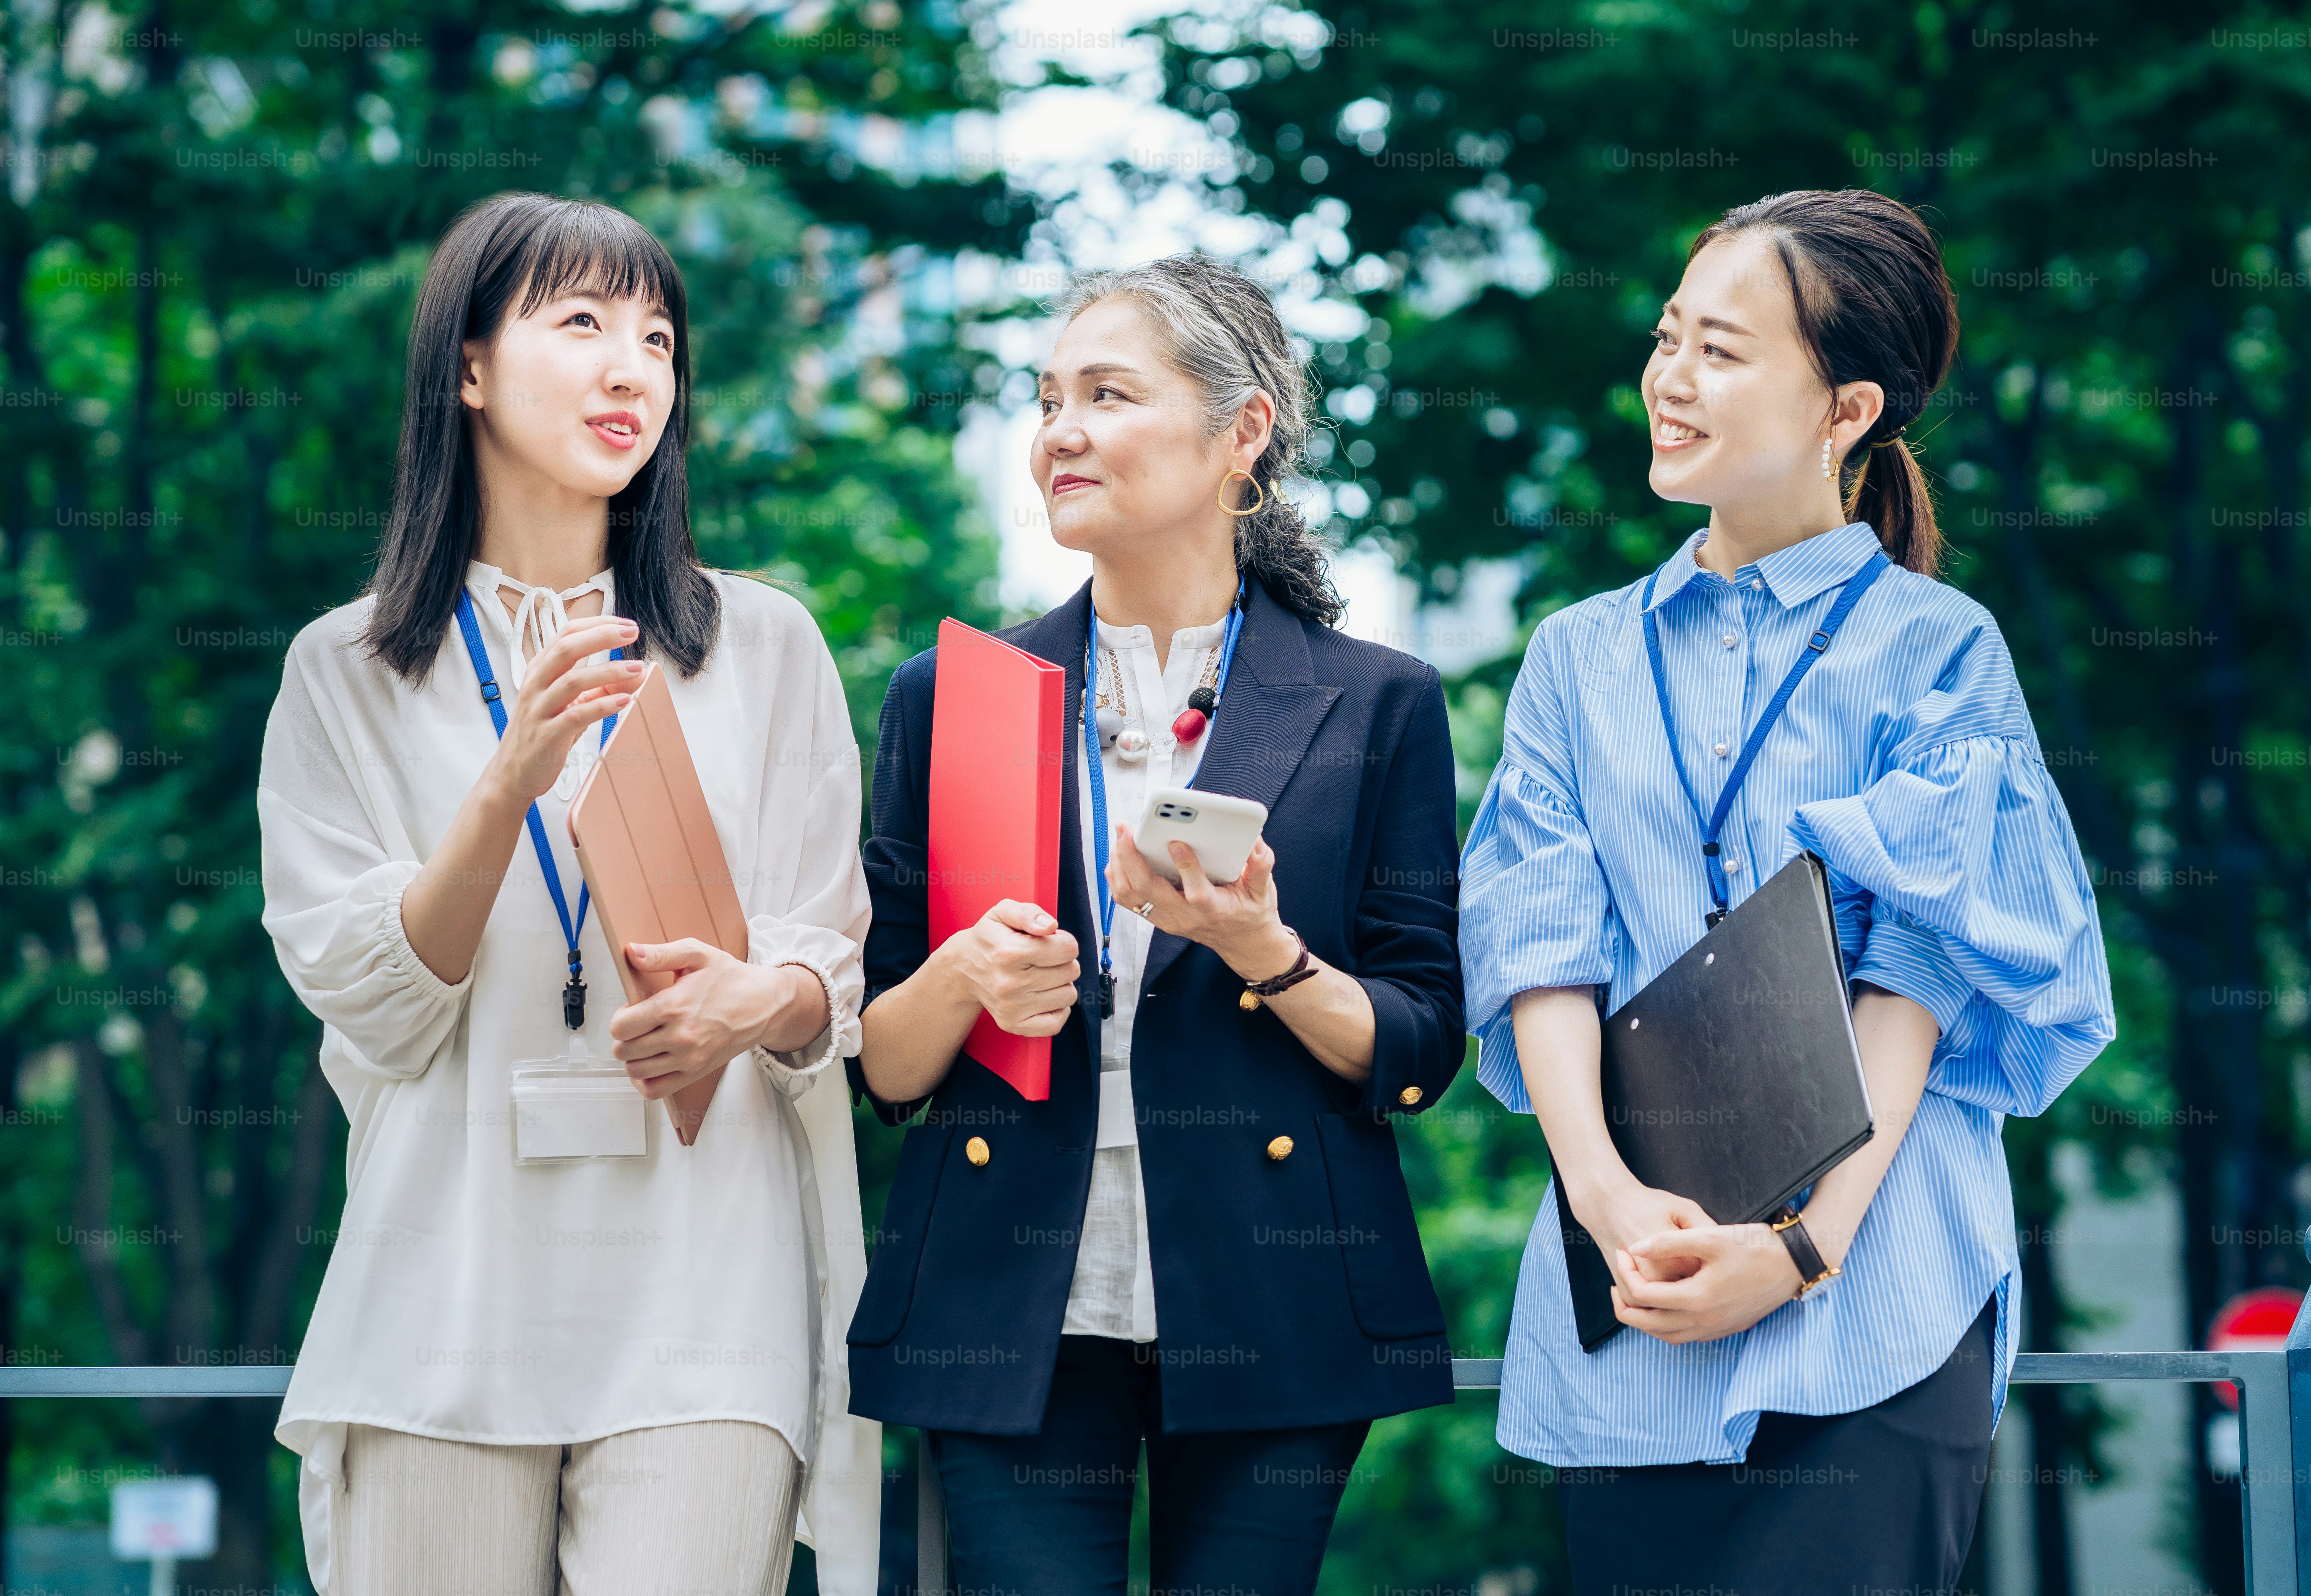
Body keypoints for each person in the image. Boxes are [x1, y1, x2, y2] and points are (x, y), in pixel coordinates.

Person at [1459, 189, 2117, 1593]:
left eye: (1723, 349)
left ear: (1847, 408)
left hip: (1876, 1286)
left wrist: (1804, 1248)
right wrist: (1609, 1205)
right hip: (1642, 1289)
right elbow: (1540, 955)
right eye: (1666, 338)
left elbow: (1926, 973)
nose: (1668, 379)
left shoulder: (1938, 648)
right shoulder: (1576, 659)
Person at [257, 193, 878, 1596]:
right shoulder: (345, 668)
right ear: (468, 367)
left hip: (708, 1294)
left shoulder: (760, 643)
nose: (631, 368)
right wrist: (507, 783)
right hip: (443, 1290)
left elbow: (831, 954)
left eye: (658, 338)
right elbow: (371, 999)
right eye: (582, 322)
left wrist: (752, 1002)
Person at [846, 253, 1465, 1594]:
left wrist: (1269, 956)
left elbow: (1420, 1046)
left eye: (1109, 394)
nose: (1060, 430)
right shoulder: (949, 696)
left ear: (1242, 434)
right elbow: (883, 1065)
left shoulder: (1379, 704)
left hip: (1278, 1290)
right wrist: (961, 977)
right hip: (1007, 1298)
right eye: (1049, 396)